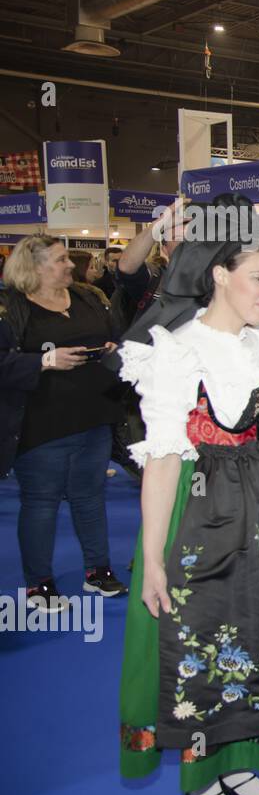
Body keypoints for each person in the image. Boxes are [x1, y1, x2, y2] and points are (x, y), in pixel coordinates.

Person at [116, 202, 259, 795]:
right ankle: (202, 787)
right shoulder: (176, 350)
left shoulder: (258, 343)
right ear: (220, 275)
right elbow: (162, 458)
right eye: (258, 280)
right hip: (205, 514)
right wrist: (156, 559)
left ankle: (242, 769)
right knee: (209, 642)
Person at [0, 235, 126, 609]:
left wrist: (112, 349)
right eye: (59, 260)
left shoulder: (88, 297)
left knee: (90, 499)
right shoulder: (11, 308)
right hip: (41, 425)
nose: (70, 265)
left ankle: (98, 572)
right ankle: (39, 585)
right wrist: (43, 361)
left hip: (94, 417)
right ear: (34, 266)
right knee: (41, 503)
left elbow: (113, 335)